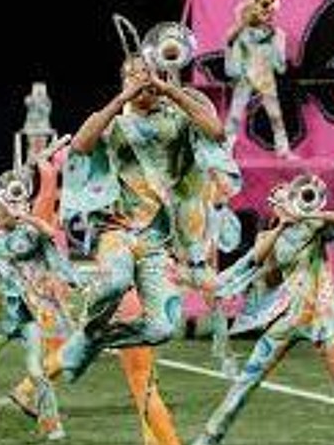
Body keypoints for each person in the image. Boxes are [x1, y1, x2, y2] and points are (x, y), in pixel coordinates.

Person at [59, 50, 225, 382]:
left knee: (163, 328)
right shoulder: (115, 121)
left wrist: (170, 91)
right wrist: (123, 98)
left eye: (147, 73)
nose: (141, 80)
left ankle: (93, 339)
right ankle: (89, 327)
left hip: (158, 240)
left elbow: (216, 132)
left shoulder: (176, 121)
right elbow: (79, 145)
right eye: (133, 75)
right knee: (116, 282)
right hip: (118, 229)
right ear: (124, 82)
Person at [190, 175, 334, 445]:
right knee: (247, 379)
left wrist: (309, 213)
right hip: (287, 318)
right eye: (283, 199)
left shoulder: (313, 225)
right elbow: (259, 261)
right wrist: (282, 226)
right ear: (274, 206)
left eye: (292, 197)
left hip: (323, 318)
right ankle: (210, 438)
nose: (291, 201)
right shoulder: (267, 237)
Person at [0, 173, 79, 441]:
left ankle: (51, 425)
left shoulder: (30, 232)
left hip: (29, 316)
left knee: (36, 371)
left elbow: (49, 232)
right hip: (1, 315)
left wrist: (24, 216)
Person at [224, 0, 294, 159]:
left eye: (270, 11)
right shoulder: (242, 32)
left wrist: (277, 37)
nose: (268, 13)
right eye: (264, 9)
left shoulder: (275, 33)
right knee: (235, 116)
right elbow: (230, 40)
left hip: (264, 76)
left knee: (275, 116)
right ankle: (225, 151)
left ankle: (283, 151)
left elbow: (279, 60)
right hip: (245, 76)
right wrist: (244, 20)